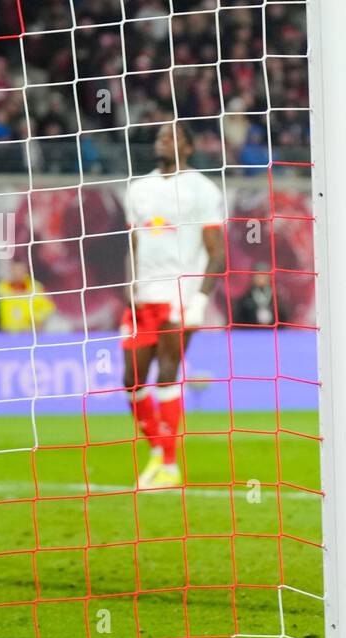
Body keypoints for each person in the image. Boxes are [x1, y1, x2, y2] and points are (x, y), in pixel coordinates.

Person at [122, 121, 226, 489]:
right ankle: (158, 452)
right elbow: (133, 243)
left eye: (170, 137)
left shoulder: (203, 190)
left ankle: (168, 465)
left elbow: (217, 253)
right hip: (142, 298)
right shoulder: (138, 189)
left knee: (168, 372)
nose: (161, 141)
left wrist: (199, 300)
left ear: (188, 147)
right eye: (159, 136)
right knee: (131, 380)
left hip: (179, 295)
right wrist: (128, 286)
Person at [0, 260, 55, 332]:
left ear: (25, 271)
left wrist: (37, 319)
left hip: (29, 331)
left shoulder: (36, 287)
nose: (17, 273)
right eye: (14, 270)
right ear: (10, 271)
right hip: (6, 331)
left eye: (20, 270)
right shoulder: (0, 288)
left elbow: (48, 306)